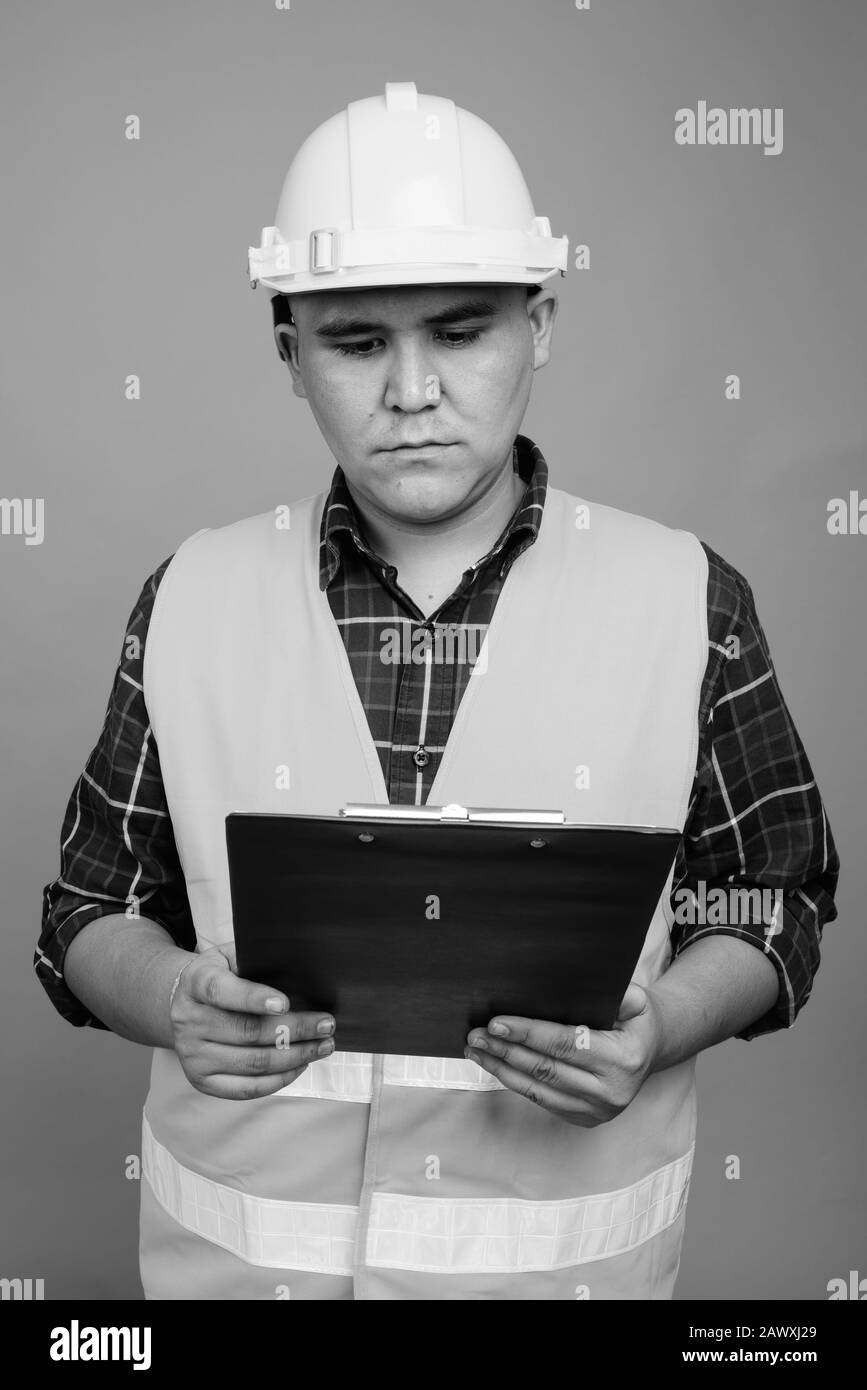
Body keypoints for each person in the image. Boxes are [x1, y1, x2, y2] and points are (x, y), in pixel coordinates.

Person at [37, 81, 838, 1301]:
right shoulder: (191, 596)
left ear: (542, 324)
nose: (412, 392)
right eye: (358, 341)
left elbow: (775, 903)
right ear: (289, 353)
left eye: (460, 332)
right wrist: (171, 999)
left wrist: (659, 1028)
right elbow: (86, 913)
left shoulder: (689, 598)